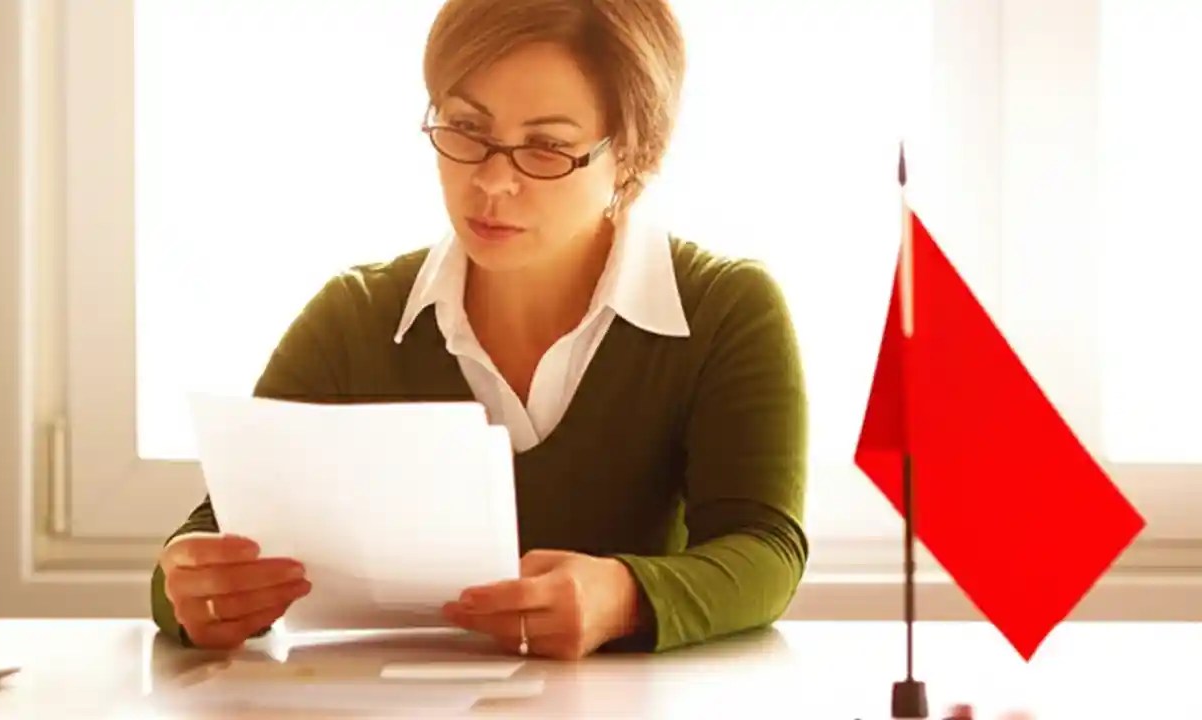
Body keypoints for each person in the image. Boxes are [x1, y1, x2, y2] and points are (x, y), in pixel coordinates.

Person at [149, 0, 810, 661]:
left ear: (633, 156)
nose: (493, 181)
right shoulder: (352, 320)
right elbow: (210, 537)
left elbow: (766, 548)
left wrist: (625, 596)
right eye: (465, 128)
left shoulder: (725, 309)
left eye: (546, 147)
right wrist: (192, 586)